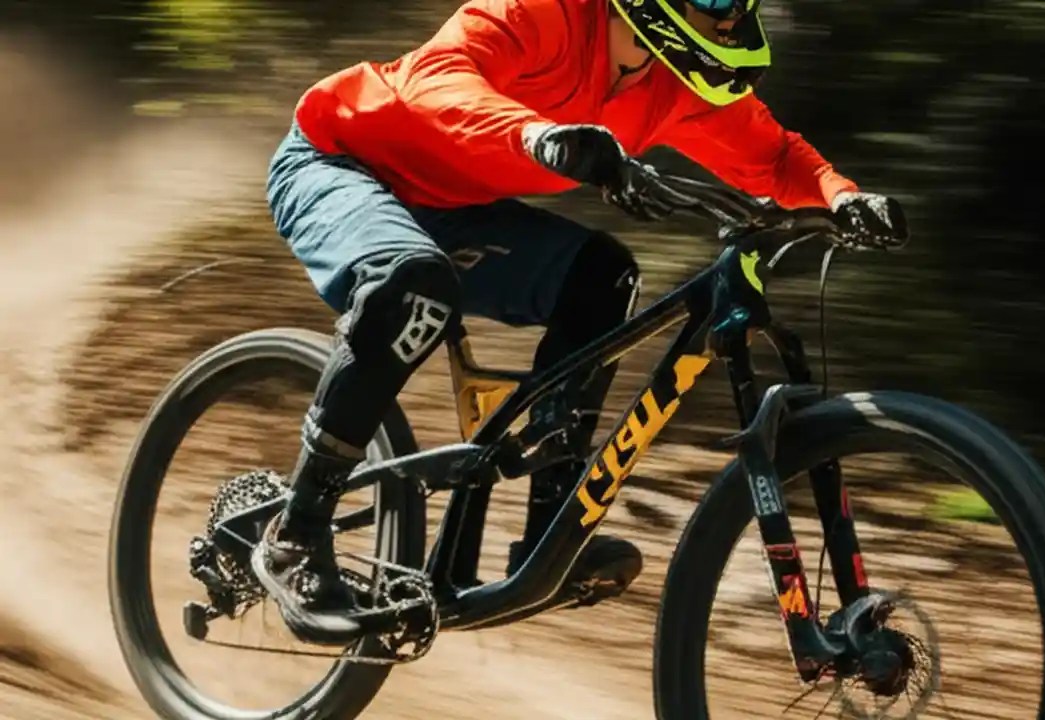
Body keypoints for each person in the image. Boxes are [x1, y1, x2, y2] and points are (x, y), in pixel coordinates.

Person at [254, 0, 909, 646]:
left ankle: (549, 532)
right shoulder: (542, 12)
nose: (732, 13)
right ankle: (295, 532)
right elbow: (438, 77)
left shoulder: (671, 86)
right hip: (337, 162)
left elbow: (775, 159)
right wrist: (536, 135)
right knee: (413, 284)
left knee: (603, 277)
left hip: (451, 211)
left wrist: (843, 199)